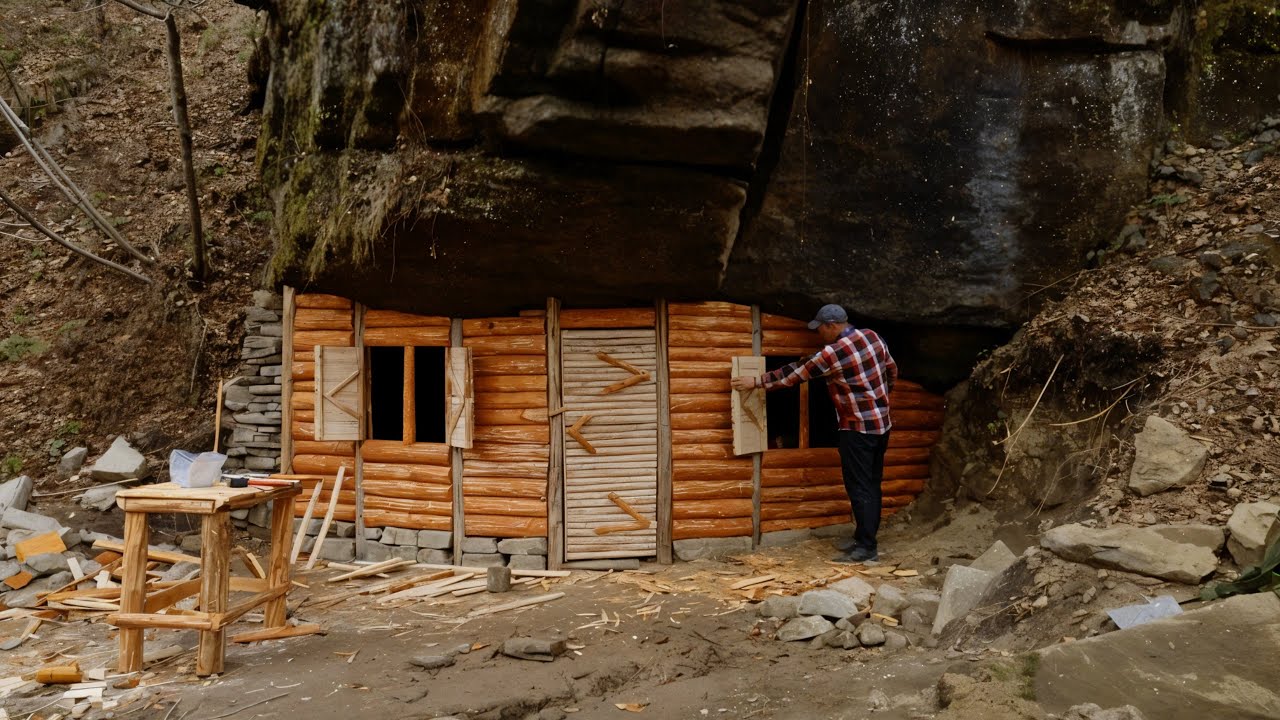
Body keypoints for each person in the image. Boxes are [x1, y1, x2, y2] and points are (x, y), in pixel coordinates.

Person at [731, 304, 897, 562]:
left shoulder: (833, 352)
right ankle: (863, 537)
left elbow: (797, 372)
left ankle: (867, 548)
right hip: (882, 425)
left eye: (819, 328)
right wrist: (882, 399)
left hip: (857, 429)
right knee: (872, 483)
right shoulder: (872, 336)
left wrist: (756, 381)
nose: (819, 333)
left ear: (831, 325)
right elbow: (891, 369)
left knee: (859, 487)